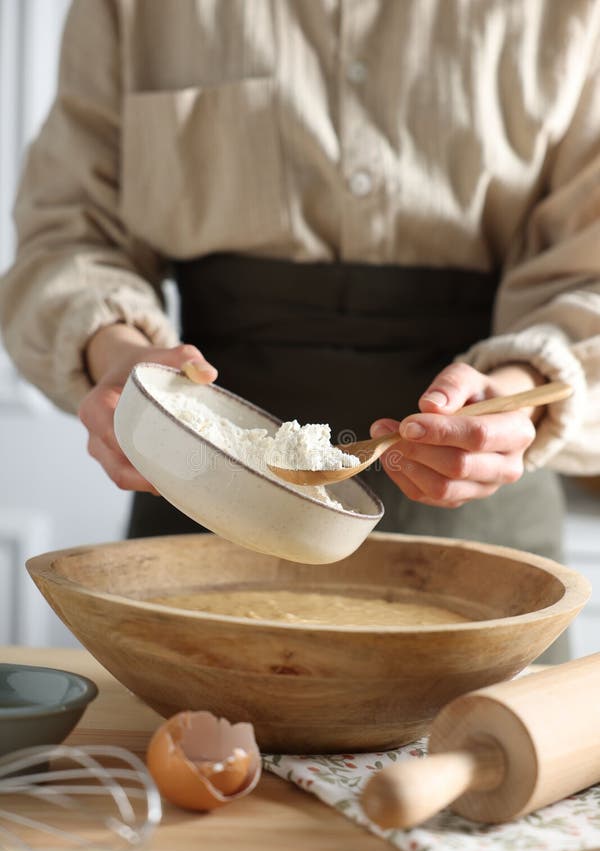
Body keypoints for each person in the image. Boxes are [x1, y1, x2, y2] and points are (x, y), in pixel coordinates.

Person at [1, 0, 599, 574]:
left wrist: (518, 390)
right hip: (201, 504)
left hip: (480, 518)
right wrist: (122, 355)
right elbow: (67, 232)